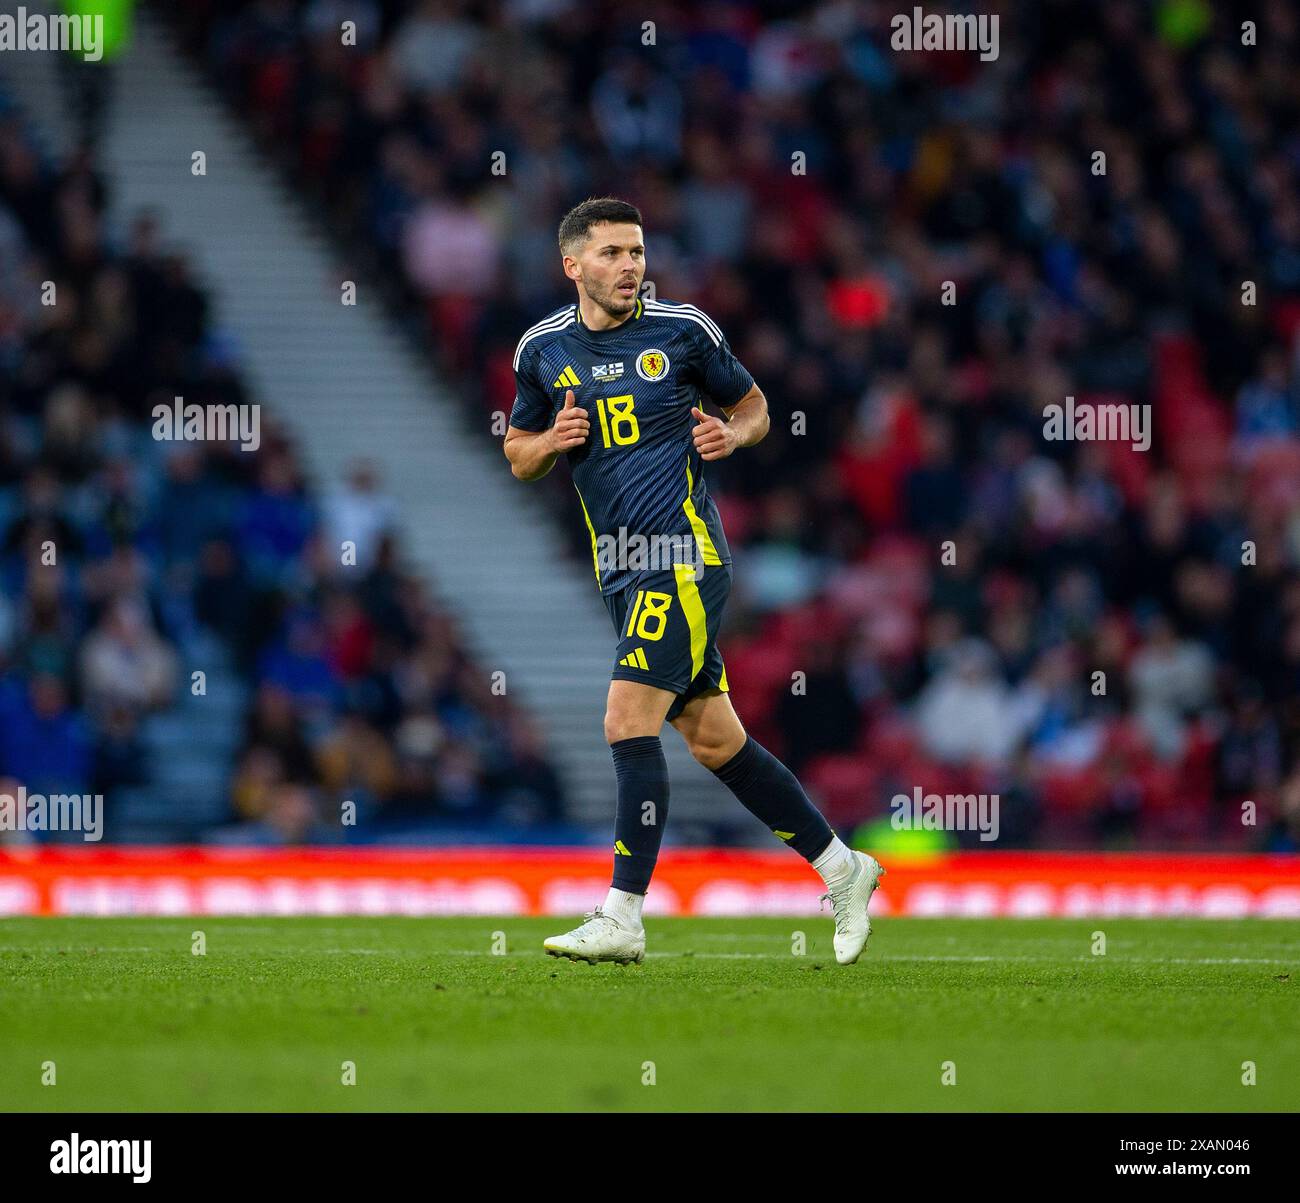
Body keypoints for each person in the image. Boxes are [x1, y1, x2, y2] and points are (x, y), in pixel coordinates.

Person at [503, 197, 884, 966]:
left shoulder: (684, 331)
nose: (630, 266)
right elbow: (516, 451)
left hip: (679, 556)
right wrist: (552, 439)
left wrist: (730, 432)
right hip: (618, 569)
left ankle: (622, 914)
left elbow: (755, 406)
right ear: (572, 264)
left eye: (637, 251)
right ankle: (844, 868)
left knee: (624, 719)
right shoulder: (542, 349)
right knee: (715, 740)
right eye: (611, 253)